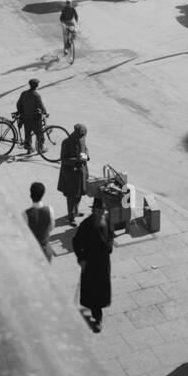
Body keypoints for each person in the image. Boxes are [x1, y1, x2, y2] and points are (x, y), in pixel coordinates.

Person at [72, 196, 113, 332]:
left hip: (104, 261)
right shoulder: (86, 224)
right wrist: (81, 259)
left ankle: (97, 311)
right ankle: (97, 317)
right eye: (98, 211)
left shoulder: (107, 220)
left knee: (102, 288)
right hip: (91, 262)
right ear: (93, 210)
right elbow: (76, 242)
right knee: (94, 289)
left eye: (102, 210)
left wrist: (109, 246)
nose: (101, 213)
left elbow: (111, 234)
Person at [59, 124, 90, 225]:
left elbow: (85, 149)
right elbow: (64, 159)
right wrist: (76, 159)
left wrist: (86, 156)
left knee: (79, 194)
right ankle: (71, 216)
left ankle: (76, 211)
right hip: (70, 175)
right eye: (81, 136)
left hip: (81, 173)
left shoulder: (81, 140)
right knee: (71, 196)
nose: (83, 138)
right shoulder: (66, 142)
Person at [22, 181, 55, 262]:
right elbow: (51, 227)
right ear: (43, 194)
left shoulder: (26, 214)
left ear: (31, 195)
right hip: (45, 249)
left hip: (32, 250)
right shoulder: (49, 210)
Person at [16, 78, 48, 153]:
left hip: (25, 118)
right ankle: (40, 148)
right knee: (39, 134)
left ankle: (29, 148)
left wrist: (22, 112)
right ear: (36, 86)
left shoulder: (23, 93)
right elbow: (41, 106)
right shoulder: (36, 95)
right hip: (35, 118)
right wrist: (45, 112)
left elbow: (18, 104)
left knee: (27, 134)